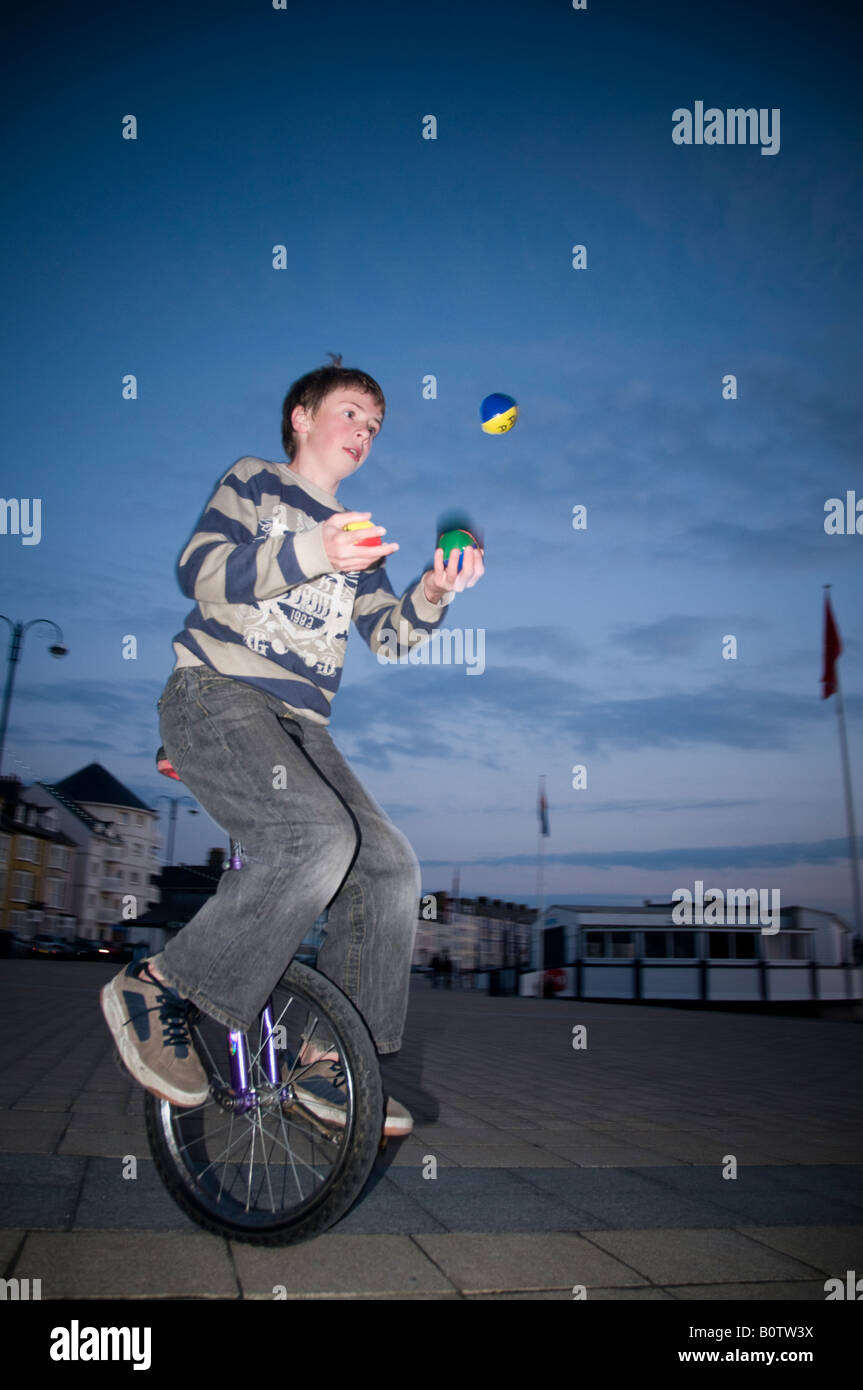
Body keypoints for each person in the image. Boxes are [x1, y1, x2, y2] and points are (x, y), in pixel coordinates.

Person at [101, 353, 484, 1137]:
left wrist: (435, 592)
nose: (364, 433)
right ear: (301, 418)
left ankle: (329, 1065)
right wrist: (313, 551)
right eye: (350, 413)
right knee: (314, 839)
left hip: (301, 730)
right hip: (216, 695)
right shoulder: (256, 483)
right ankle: (158, 986)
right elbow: (198, 571)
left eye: (375, 426)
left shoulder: (365, 541)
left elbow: (391, 636)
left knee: (387, 865)